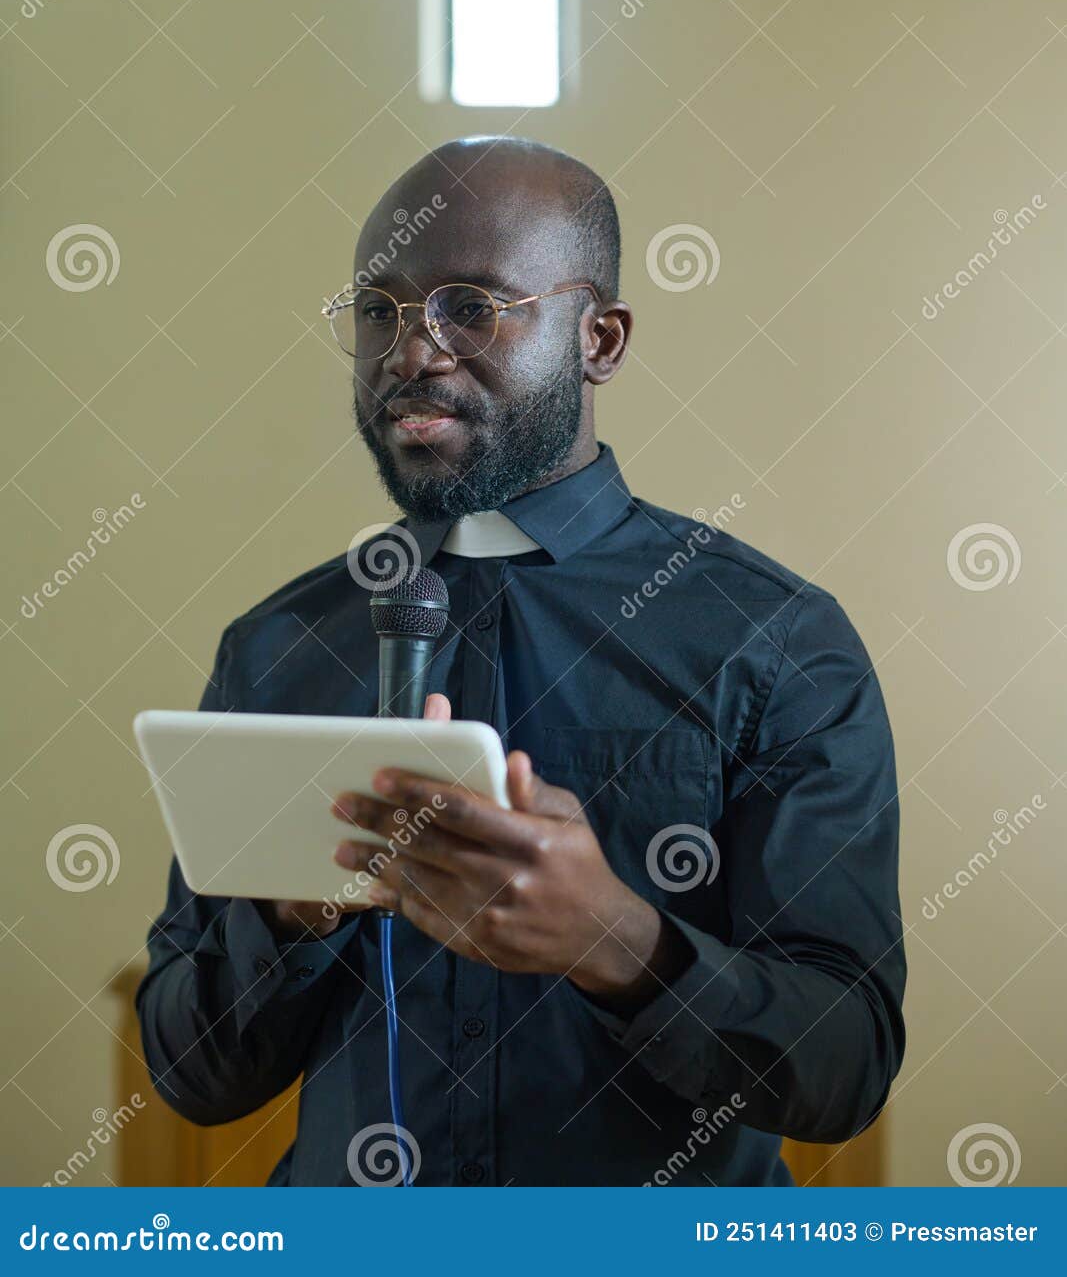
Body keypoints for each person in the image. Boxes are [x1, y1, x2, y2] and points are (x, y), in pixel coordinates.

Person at [137, 135, 906, 1187]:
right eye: (380, 312)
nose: (413, 350)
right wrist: (287, 908)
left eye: (470, 306)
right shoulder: (276, 647)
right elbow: (190, 1074)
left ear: (599, 338)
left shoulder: (771, 641)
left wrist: (620, 943)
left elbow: (846, 1066)